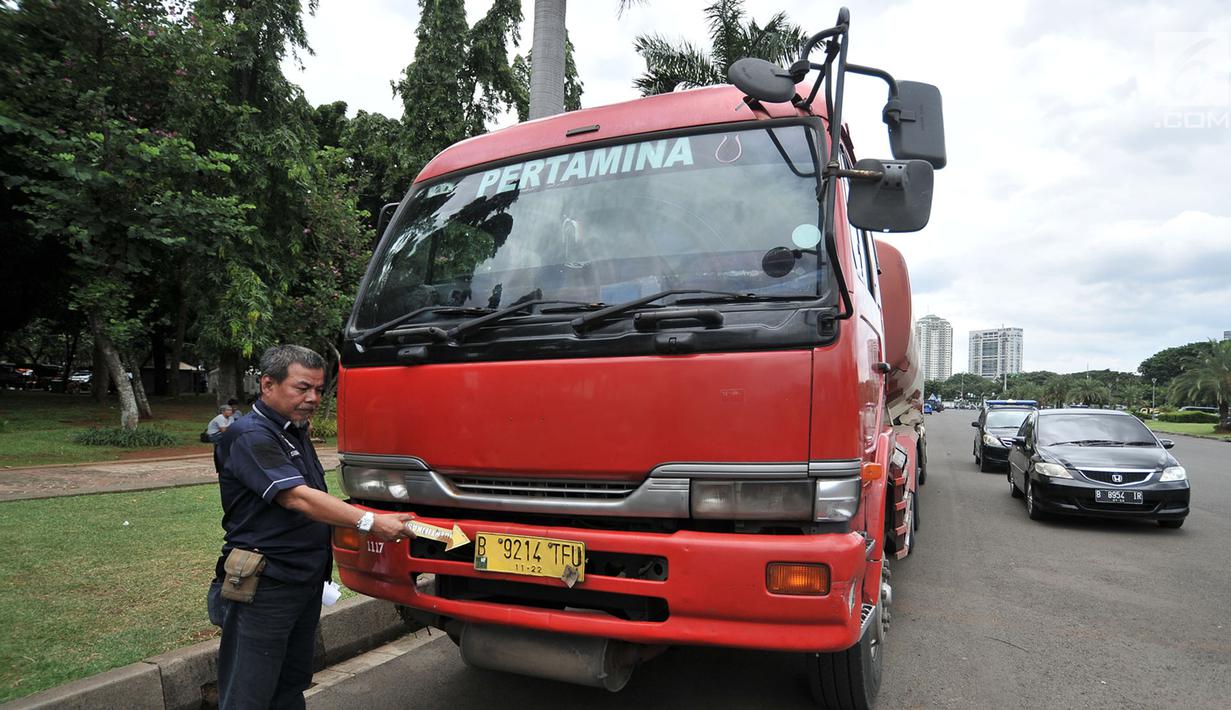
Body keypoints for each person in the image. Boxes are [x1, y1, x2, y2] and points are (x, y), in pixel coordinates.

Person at [208, 345, 412, 709]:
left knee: (290, 683)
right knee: (248, 694)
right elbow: (296, 498)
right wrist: (370, 522)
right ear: (268, 384)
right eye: (302, 388)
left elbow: (315, 500)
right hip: (266, 585)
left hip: (303, 580)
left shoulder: (293, 431)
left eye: (319, 390)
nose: (313, 398)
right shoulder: (250, 435)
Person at [207, 404, 236, 474]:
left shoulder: (231, 418)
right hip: (214, 435)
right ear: (223, 411)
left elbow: (233, 428)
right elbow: (224, 430)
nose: (230, 412)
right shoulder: (220, 418)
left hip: (223, 435)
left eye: (231, 410)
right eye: (228, 410)